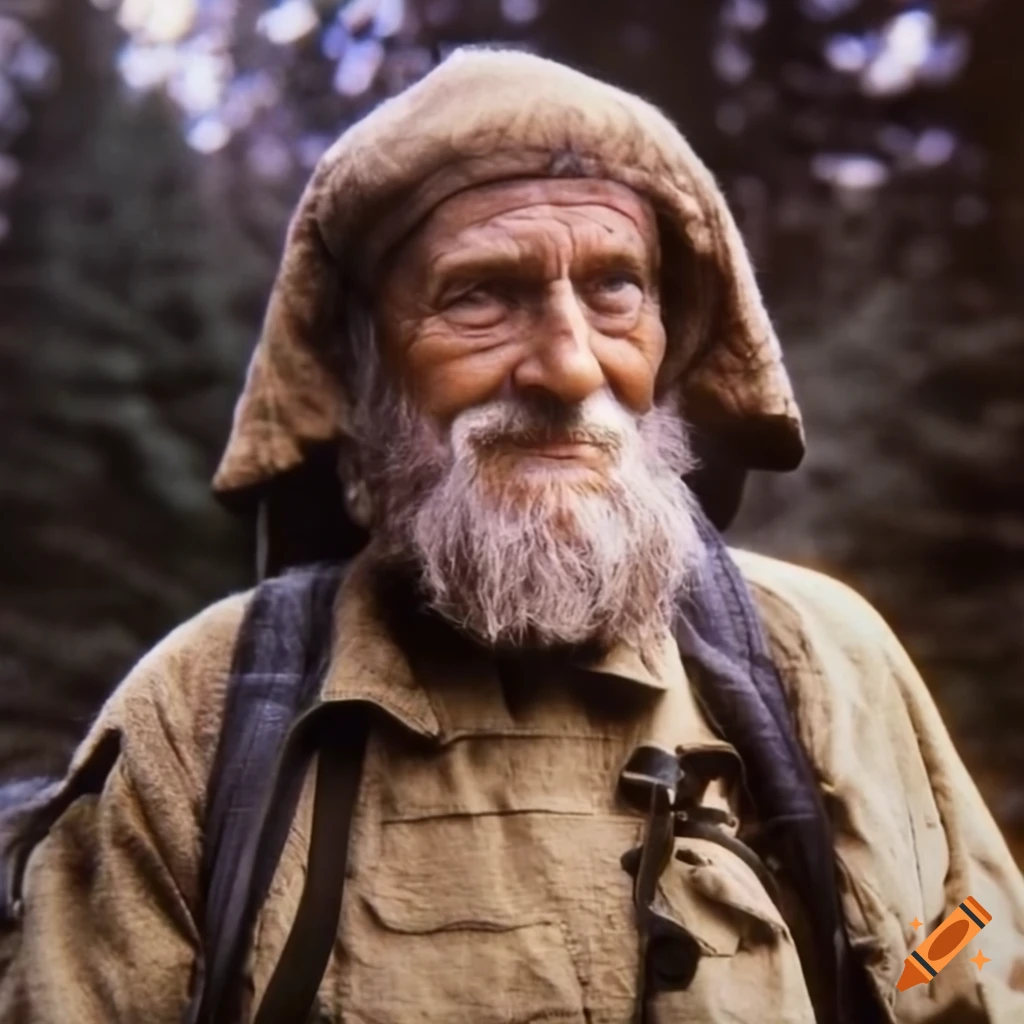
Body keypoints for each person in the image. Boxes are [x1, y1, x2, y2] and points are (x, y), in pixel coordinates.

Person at [1, 47, 1023, 1024]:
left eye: (615, 286)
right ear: (365, 371)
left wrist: (921, 966)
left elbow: (972, 931)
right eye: (482, 294)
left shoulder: (823, 659)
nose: (570, 368)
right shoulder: (202, 717)